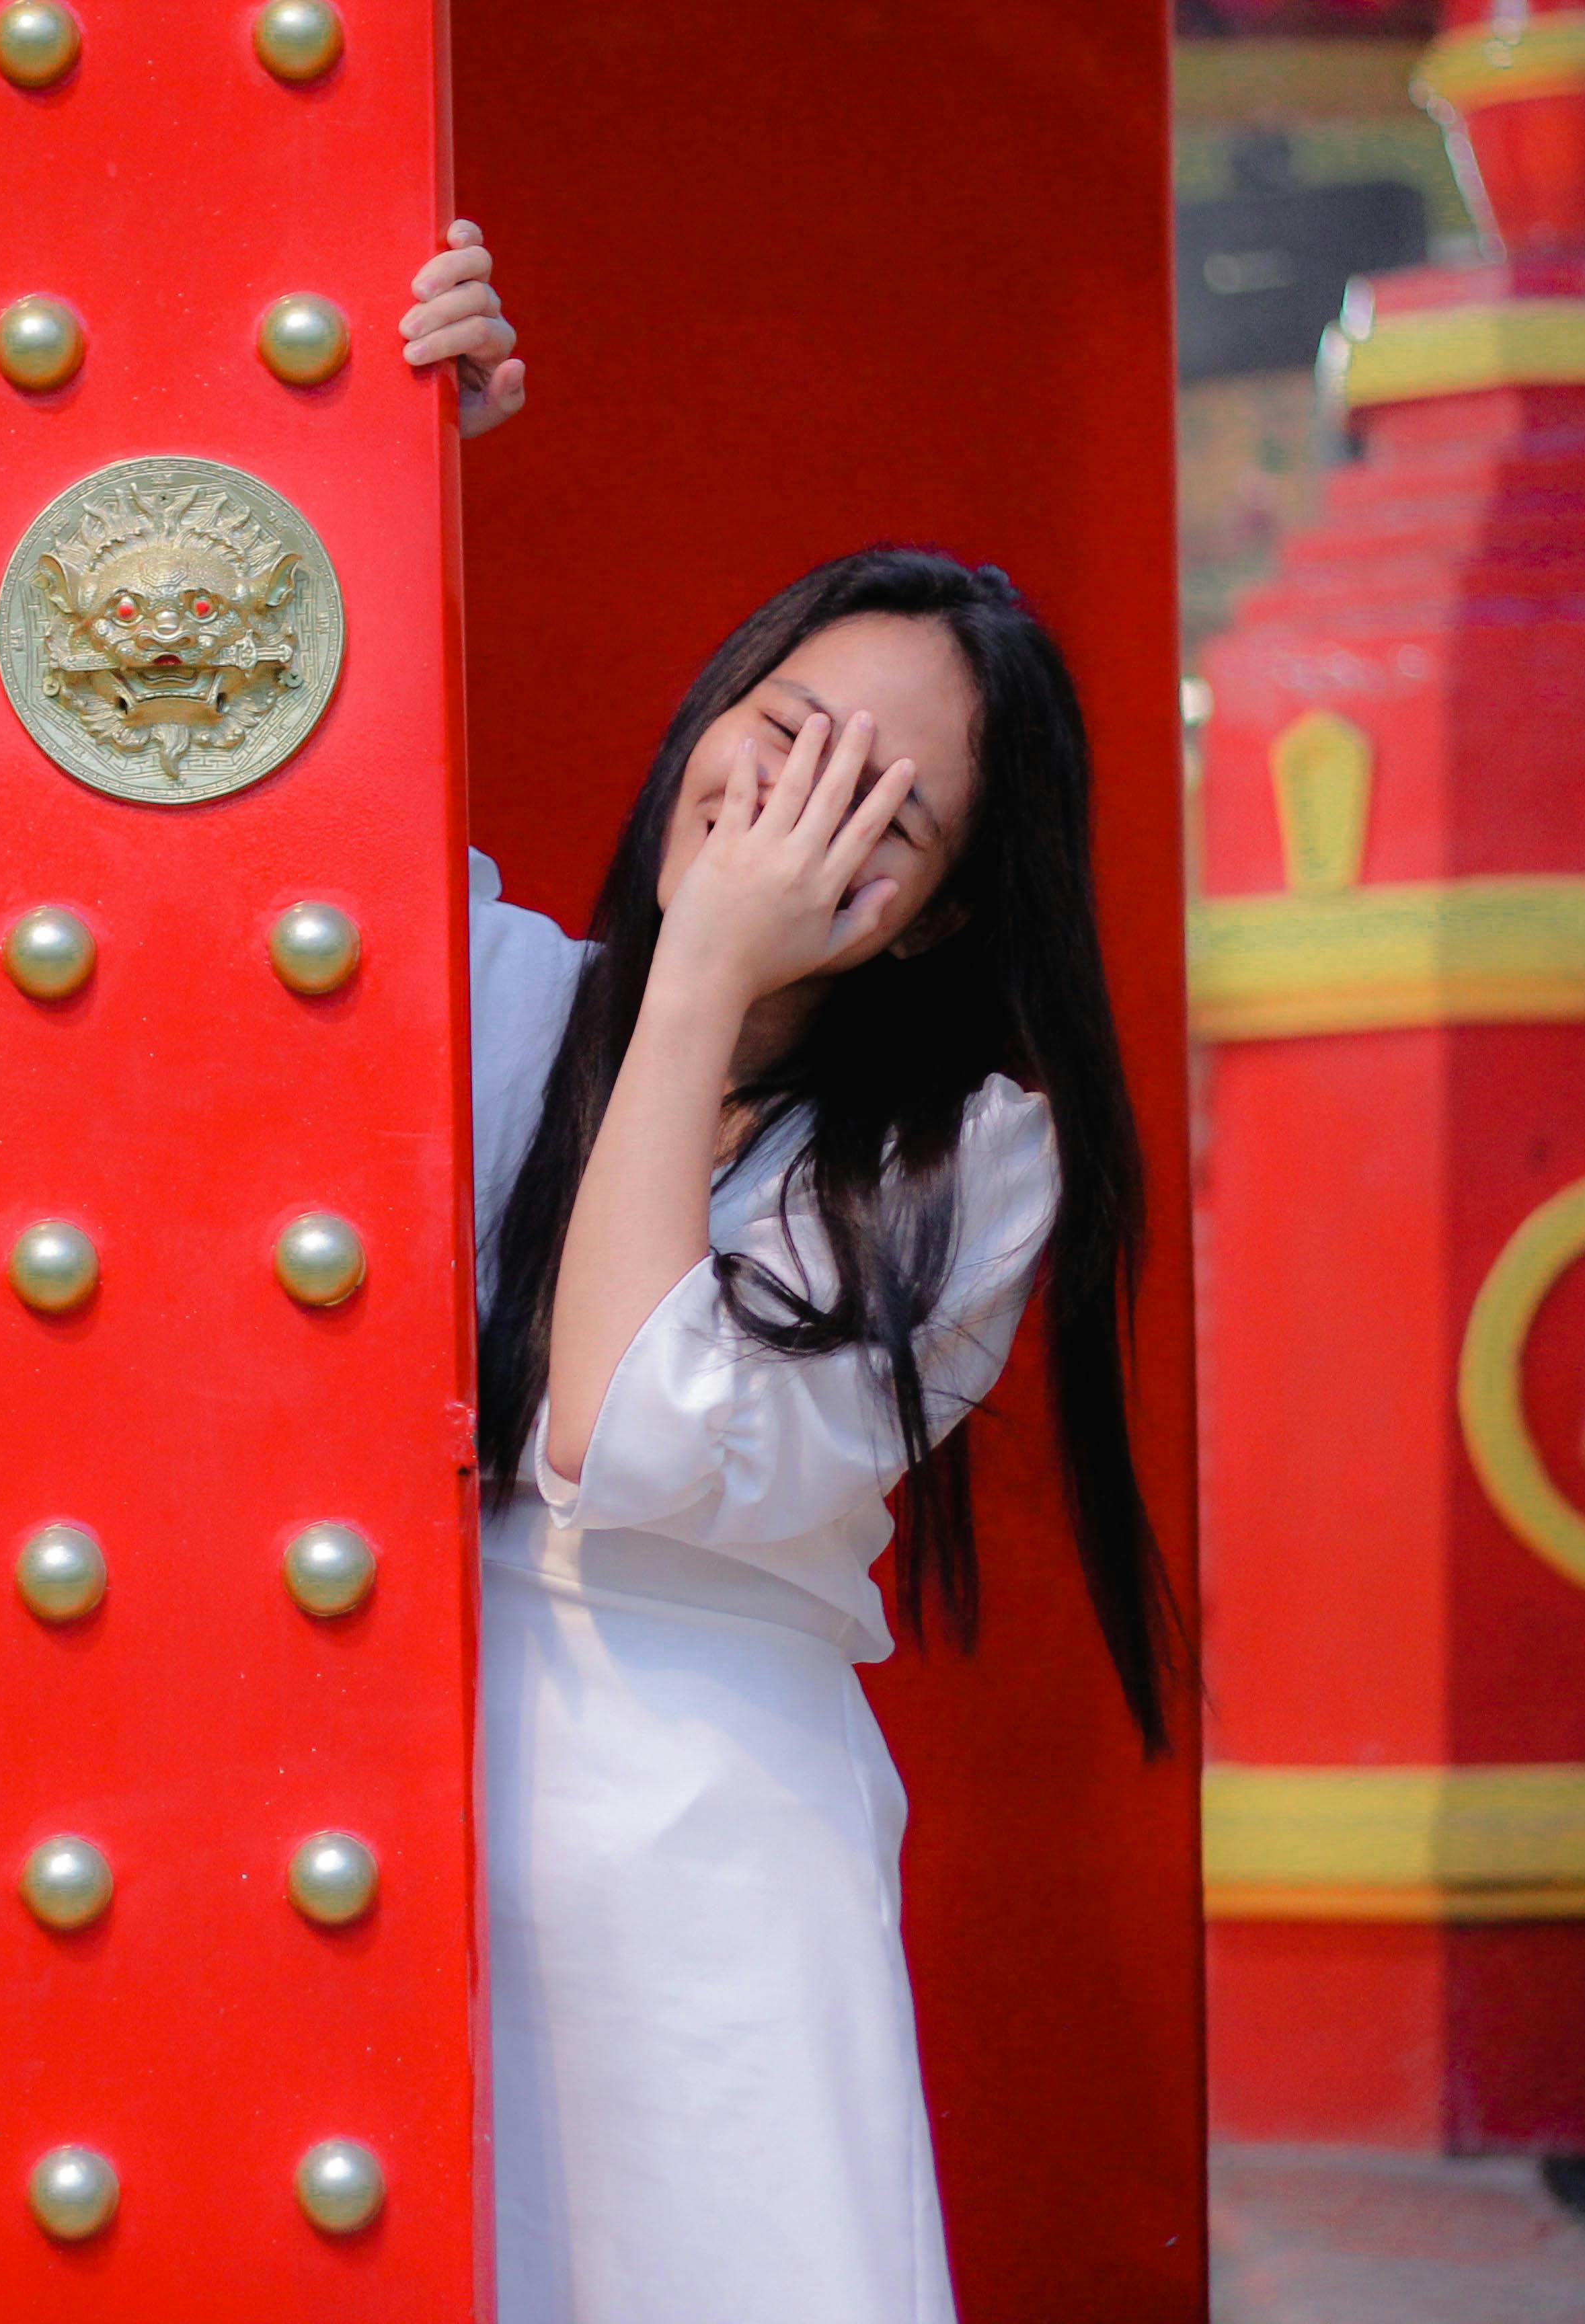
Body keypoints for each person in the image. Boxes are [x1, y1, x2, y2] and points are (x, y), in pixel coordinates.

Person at [400, 224, 1177, 2324]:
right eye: (785, 720)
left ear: (929, 918)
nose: (788, 799)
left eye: (881, 807)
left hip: (700, 1847)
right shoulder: (486, 1001)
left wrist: (705, 981)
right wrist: (387, 455)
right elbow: (262, 816)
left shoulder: (963, 1157)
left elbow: (632, 1434)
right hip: (397, 1804)